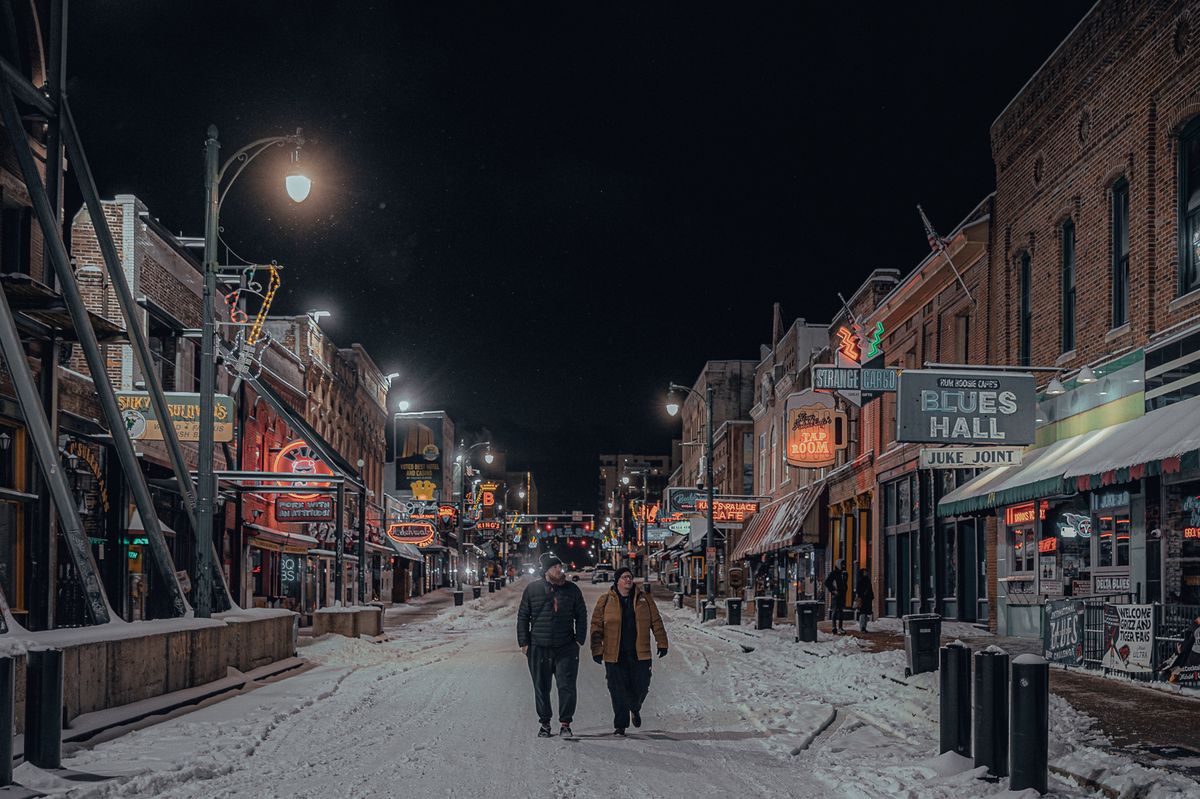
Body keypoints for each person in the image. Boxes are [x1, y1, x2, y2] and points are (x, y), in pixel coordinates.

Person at [517, 552, 588, 738]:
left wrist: (580, 638)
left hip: (566, 646)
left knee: (567, 686)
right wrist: (524, 643)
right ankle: (545, 723)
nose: (560, 570)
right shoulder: (532, 590)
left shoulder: (572, 590)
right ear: (547, 571)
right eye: (555, 567)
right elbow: (523, 616)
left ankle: (565, 723)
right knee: (541, 687)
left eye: (560, 567)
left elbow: (581, 614)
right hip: (538, 647)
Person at [590, 567, 668, 737]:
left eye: (630, 577)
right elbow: (596, 626)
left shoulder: (644, 599)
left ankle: (635, 706)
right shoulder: (605, 600)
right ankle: (620, 725)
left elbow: (656, 621)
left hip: (639, 653)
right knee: (617, 690)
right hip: (614, 654)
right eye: (624, 577)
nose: (628, 580)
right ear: (617, 580)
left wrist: (662, 642)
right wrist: (597, 649)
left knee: (641, 686)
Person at [1164, 614, 1200, 684]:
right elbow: (1188, 637)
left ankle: (1174, 676)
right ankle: (1173, 676)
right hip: (1192, 653)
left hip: (1193, 652)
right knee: (1182, 662)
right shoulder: (1195, 626)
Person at [824, 559, 848, 634]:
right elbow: (827, 582)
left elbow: (845, 584)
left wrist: (845, 589)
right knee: (834, 610)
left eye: (844, 564)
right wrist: (833, 590)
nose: (843, 566)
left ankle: (840, 627)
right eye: (842, 564)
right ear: (838, 565)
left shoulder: (844, 573)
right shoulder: (833, 573)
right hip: (835, 595)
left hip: (842, 594)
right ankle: (834, 626)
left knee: (841, 611)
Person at [854, 567, 874, 633]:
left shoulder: (868, 580)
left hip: (867, 599)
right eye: (865, 572)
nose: (866, 573)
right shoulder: (860, 580)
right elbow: (858, 590)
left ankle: (864, 627)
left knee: (865, 614)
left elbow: (870, 589)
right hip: (862, 599)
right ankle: (862, 627)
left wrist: (871, 596)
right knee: (862, 613)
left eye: (866, 572)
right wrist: (859, 598)